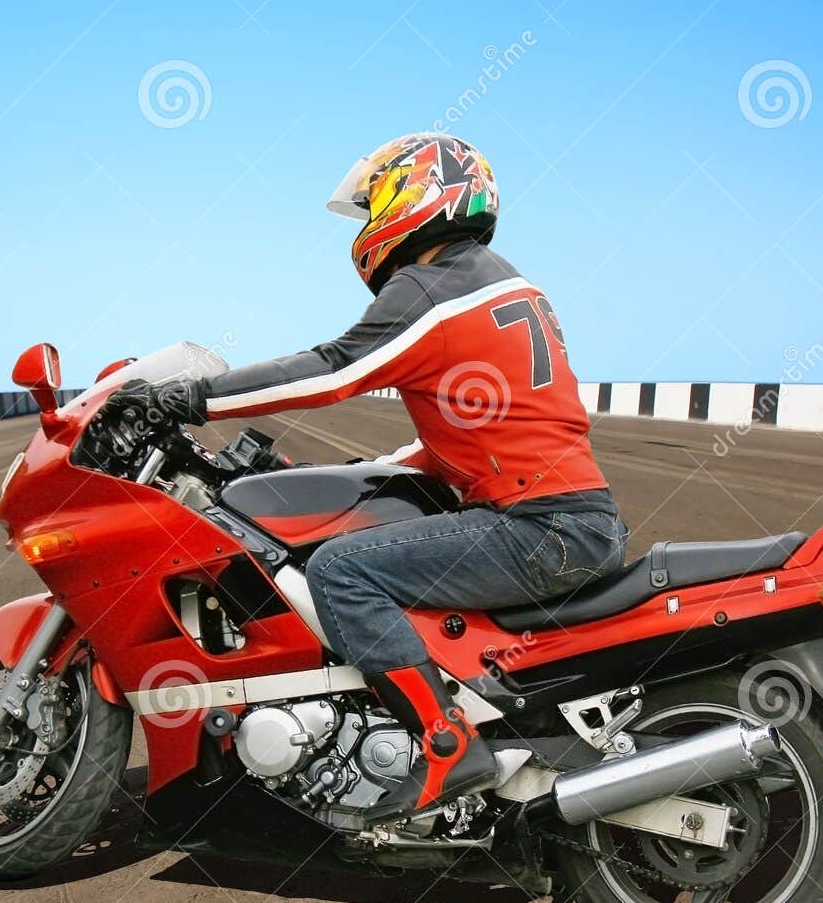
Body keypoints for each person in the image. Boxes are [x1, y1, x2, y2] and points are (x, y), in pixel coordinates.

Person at [112, 132, 628, 823]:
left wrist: (190, 398)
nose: (369, 221)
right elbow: (487, 432)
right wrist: (360, 473)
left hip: (540, 527)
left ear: (421, 194)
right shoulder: (499, 283)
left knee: (341, 572)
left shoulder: (433, 286)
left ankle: (446, 745)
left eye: (376, 200)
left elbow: (334, 369)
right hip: (575, 519)